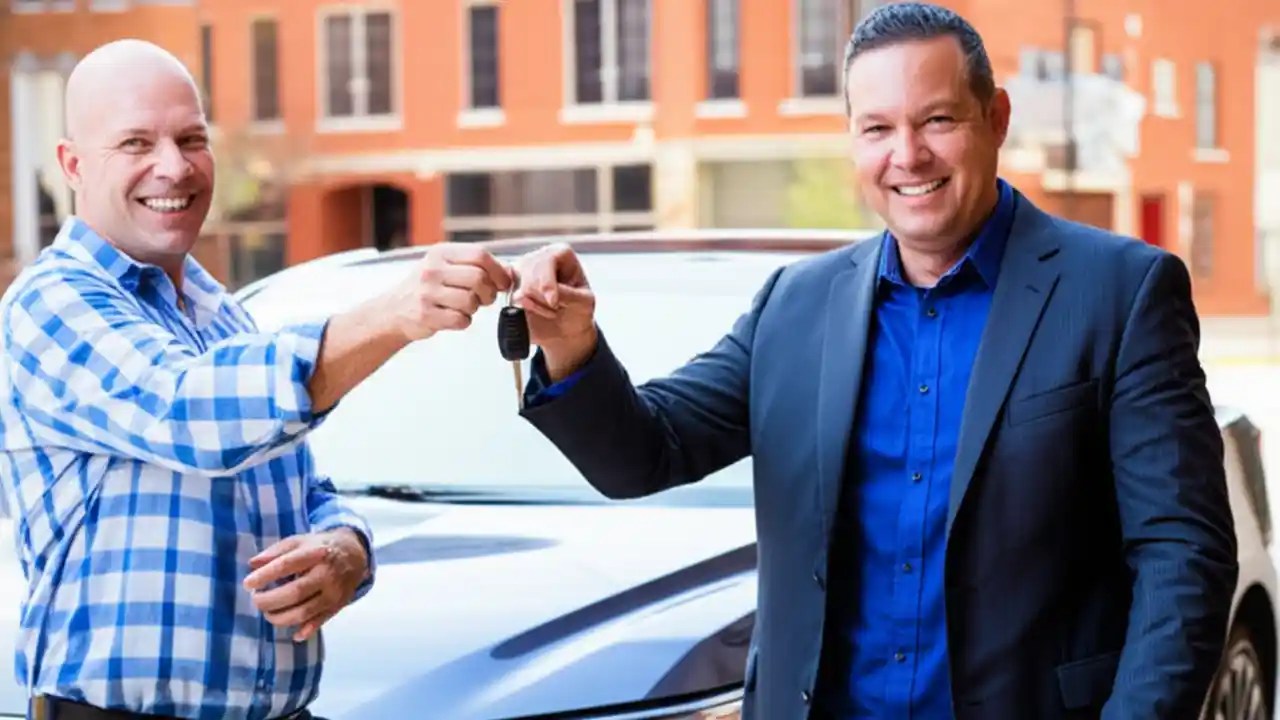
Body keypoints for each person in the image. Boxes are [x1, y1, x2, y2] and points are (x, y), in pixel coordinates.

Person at [510, 3, 1238, 719]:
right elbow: (646, 454)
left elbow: (1183, 555)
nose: (908, 155)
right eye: (879, 128)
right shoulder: (796, 305)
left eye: (938, 120)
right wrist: (570, 345)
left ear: (996, 119)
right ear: (854, 142)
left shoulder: (1119, 292)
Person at [0, 40, 512, 719]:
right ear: (72, 164)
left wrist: (345, 550)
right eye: (134, 143)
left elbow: (308, 490)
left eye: (191, 138)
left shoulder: (220, 313)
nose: (173, 167)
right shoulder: (48, 304)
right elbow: (185, 412)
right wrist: (394, 313)